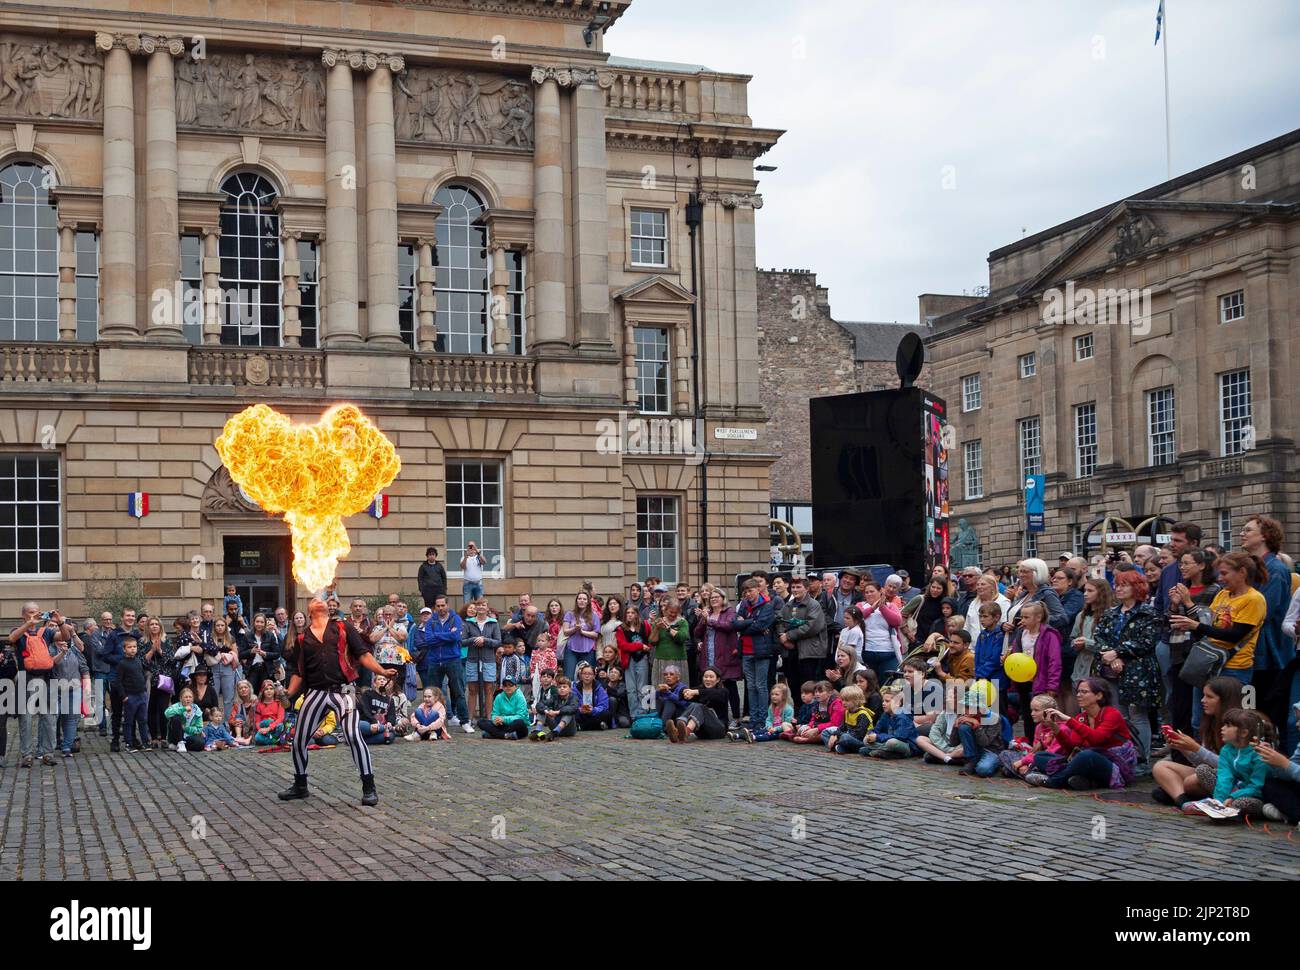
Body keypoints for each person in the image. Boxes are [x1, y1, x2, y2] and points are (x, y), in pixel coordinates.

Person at [280, 597, 395, 806]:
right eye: (314, 600)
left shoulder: (343, 627)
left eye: (322, 600)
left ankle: (369, 787)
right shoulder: (302, 638)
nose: (319, 600)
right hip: (315, 693)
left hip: (344, 691)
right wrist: (288, 693)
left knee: (352, 735)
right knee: (298, 741)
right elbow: (298, 672)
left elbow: (362, 654)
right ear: (310, 610)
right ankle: (300, 785)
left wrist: (382, 670)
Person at [1168, 551, 1267, 695]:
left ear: (1242, 572)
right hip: (1209, 663)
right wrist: (1184, 620)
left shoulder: (1254, 599)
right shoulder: (1223, 594)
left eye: (1224, 573)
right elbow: (1208, 624)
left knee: (1231, 714)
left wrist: (1196, 625)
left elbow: (1235, 635)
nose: (1220, 578)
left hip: (1234, 668)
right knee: (1200, 714)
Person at [1092, 569, 1161, 773]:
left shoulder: (1147, 613)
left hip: (1138, 670)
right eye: (1117, 584)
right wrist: (1109, 654)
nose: (1118, 588)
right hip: (1110, 670)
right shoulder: (1111, 613)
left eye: (1124, 585)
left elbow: (1146, 641)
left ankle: (1142, 759)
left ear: (1136, 588)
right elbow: (1099, 637)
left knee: (1137, 714)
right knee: (1117, 714)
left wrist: (1118, 654)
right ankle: (1124, 755)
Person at [1152, 676, 1246, 807]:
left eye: (1209, 697)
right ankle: (1183, 802)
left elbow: (1232, 766)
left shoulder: (1240, 726)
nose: (1203, 700)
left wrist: (1196, 748)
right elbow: (1202, 763)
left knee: (1192, 781)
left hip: (1234, 780)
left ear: (1225, 700)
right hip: (1209, 774)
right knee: (1161, 766)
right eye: (1203, 695)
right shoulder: (1210, 721)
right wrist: (1182, 747)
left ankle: (1181, 794)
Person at [1027, 678, 1137, 790]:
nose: (1079, 695)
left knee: (1087, 755)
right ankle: (1085, 781)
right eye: (1078, 692)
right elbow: (1072, 748)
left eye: (1084, 692)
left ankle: (1054, 781)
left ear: (1099, 695)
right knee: (1040, 756)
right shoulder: (1081, 717)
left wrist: (1069, 720)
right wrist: (1054, 727)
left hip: (1115, 765)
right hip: (1088, 761)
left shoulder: (1112, 714)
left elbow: (1096, 739)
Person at [1181, 709, 1274, 819]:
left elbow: (1256, 787)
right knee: (1202, 769)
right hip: (1233, 790)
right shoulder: (1226, 750)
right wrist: (1218, 803)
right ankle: (1218, 806)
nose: (1222, 728)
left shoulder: (1258, 754)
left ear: (1244, 733)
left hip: (1256, 796)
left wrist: (1232, 797)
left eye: (1228, 725)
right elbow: (1224, 777)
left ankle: (1230, 808)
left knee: (1240, 803)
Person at [1005, 600, 1063, 741]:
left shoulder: (1049, 635)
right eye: (1022, 617)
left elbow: (1054, 662)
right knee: (1027, 715)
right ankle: (1030, 743)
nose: (1022, 620)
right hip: (1023, 681)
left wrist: (1052, 686)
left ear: (1038, 618)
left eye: (1026, 617)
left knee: (1042, 717)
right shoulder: (1021, 634)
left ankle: (1044, 744)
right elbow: (1016, 654)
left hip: (1040, 682)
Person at [418, 595, 472, 733]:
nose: (441, 608)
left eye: (443, 605)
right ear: (435, 607)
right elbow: (429, 639)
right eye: (438, 606)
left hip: (452, 659)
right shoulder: (431, 621)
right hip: (435, 661)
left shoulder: (456, 619)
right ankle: (432, 721)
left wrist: (440, 636)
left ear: (447, 605)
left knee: (458, 691)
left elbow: (456, 637)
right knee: (432, 693)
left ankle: (465, 721)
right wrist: (447, 635)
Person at [732, 578, 777, 731]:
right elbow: (735, 624)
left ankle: (762, 720)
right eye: (745, 592)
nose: (748, 594)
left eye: (750, 591)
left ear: (758, 589)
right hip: (746, 651)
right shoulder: (744, 605)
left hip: (761, 652)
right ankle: (753, 718)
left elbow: (760, 626)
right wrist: (750, 622)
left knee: (761, 686)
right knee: (750, 687)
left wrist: (745, 622)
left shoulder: (767, 606)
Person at [694, 589, 742, 727]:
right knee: (711, 688)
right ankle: (717, 718)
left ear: (723, 598)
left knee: (729, 687)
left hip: (725, 655)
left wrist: (709, 620)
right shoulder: (707, 613)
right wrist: (703, 620)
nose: (714, 599)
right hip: (709, 655)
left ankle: (736, 718)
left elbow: (728, 626)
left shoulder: (729, 612)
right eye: (712, 597)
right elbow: (697, 632)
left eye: (717, 597)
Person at [1000, 694, 1063, 780]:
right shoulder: (1039, 727)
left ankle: (1027, 773)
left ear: (1048, 712)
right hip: (1035, 760)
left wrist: (1024, 762)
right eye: (1031, 710)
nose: (1032, 714)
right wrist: (1025, 762)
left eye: (1036, 710)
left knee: (1008, 768)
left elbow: (1050, 755)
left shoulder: (1061, 729)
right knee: (1005, 753)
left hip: (1050, 762)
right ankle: (1028, 773)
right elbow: (1034, 751)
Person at [1069, 577, 1114, 695]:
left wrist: (1087, 643)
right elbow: (1073, 637)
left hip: (1100, 668)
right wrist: (1076, 643)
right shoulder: (1081, 615)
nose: (1085, 594)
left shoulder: (1110, 615)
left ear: (1101, 593)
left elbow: (1110, 644)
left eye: (1090, 591)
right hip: (1082, 667)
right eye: (1085, 590)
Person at [781, 576, 828, 687]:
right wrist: (781, 636)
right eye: (793, 587)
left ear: (806, 589)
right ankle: (797, 705)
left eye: (798, 587)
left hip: (810, 652)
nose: (795, 589)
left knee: (808, 685)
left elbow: (812, 626)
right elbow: (779, 621)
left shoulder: (814, 605)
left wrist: (789, 635)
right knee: (793, 683)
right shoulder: (788, 605)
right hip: (791, 651)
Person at [461, 599, 500, 724]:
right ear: (475, 607)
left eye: (483, 605)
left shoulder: (493, 623)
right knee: (472, 689)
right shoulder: (468, 623)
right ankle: (470, 719)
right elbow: (462, 641)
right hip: (472, 659)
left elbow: (498, 641)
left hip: (488, 659)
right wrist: (474, 639)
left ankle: (489, 718)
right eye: (478, 605)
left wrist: (485, 640)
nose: (481, 607)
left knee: (489, 689)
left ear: (487, 608)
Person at [667, 666, 730, 742]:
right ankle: (679, 730)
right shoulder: (701, 689)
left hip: (719, 730)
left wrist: (695, 692)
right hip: (702, 732)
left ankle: (685, 732)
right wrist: (685, 692)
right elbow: (684, 693)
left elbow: (712, 694)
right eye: (705, 677)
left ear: (717, 680)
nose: (708, 679)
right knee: (694, 705)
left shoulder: (723, 691)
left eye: (711, 677)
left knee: (700, 706)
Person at [857, 580, 903, 681]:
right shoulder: (860, 606)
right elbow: (856, 618)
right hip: (867, 652)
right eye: (866, 592)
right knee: (869, 684)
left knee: (888, 683)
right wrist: (872, 608)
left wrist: (882, 607)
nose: (869, 594)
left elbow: (897, 621)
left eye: (872, 591)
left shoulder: (890, 606)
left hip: (888, 652)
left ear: (880, 592)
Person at [859, 685, 919, 759]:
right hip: (885, 741)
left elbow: (900, 737)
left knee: (891, 743)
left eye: (887, 701)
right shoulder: (885, 714)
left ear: (898, 703)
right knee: (865, 740)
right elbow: (877, 730)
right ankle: (886, 753)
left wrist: (878, 737)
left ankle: (877, 751)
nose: (883, 703)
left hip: (907, 746)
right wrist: (871, 735)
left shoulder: (903, 717)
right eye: (883, 701)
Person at [616, 606, 652, 718]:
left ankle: (644, 714)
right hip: (629, 660)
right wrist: (640, 646)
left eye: (632, 612)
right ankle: (634, 716)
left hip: (642, 659)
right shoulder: (621, 629)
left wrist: (647, 648)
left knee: (643, 688)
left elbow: (651, 640)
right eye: (628, 613)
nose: (630, 614)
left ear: (637, 614)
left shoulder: (645, 625)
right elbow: (623, 646)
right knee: (631, 689)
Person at [117, 637, 150, 754]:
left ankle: (145, 742)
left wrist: (144, 691)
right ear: (124, 649)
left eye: (134, 647)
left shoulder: (138, 661)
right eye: (129, 647)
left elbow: (142, 675)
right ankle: (128, 743)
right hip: (130, 696)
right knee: (129, 721)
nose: (132, 649)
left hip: (141, 695)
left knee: (143, 720)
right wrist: (124, 696)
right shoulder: (122, 663)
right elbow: (119, 681)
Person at [825, 685, 875, 755]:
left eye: (847, 700)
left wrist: (838, 736)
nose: (843, 702)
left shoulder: (863, 714)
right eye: (842, 700)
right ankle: (842, 747)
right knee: (825, 733)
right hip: (847, 736)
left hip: (860, 740)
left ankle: (842, 746)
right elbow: (842, 727)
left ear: (856, 701)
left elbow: (858, 734)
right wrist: (834, 735)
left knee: (845, 737)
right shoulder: (847, 711)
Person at [561, 591, 600, 680]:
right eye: (579, 599)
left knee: (586, 677)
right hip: (571, 649)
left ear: (588, 602)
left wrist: (582, 632)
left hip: (588, 650)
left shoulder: (594, 616)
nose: (582, 601)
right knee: (569, 677)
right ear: (576, 601)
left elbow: (596, 634)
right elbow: (565, 631)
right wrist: (575, 629)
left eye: (584, 599)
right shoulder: (569, 614)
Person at [964, 573, 1010, 640]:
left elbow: (1004, 623)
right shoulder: (974, 603)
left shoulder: (1003, 602)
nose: (979, 587)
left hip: (995, 642)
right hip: (973, 645)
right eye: (978, 585)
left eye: (983, 584)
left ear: (992, 587)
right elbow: (967, 625)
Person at [534, 676, 579, 740]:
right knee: (542, 710)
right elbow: (539, 704)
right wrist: (547, 711)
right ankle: (538, 731)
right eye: (559, 687)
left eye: (564, 687)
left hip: (569, 729)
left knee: (569, 712)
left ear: (569, 689)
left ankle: (556, 732)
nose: (562, 689)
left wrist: (557, 712)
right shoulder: (555, 697)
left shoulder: (573, 697)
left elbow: (573, 708)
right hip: (554, 725)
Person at [358, 672, 398, 744]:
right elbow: (365, 710)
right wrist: (374, 722)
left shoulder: (390, 700)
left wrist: (389, 722)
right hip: (368, 724)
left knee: (391, 736)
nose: (382, 681)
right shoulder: (367, 694)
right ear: (374, 684)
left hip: (379, 728)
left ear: (387, 684)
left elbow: (392, 715)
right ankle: (384, 729)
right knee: (361, 725)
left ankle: (361, 741)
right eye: (379, 679)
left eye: (384, 679)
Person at [572, 663, 611, 733]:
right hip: (581, 714)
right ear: (581, 675)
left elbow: (604, 706)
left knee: (606, 714)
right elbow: (572, 704)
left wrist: (593, 710)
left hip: (594, 714)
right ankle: (597, 726)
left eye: (589, 674)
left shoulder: (599, 689)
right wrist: (580, 709)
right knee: (573, 713)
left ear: (594, 676)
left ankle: (582, 726)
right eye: (584, 674)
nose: (587, 676)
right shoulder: (575, 689)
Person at [166, 687, 207, 752]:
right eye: (186, 697)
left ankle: (179, 746)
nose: (188, 699)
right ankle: (179, 743)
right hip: (175, 735)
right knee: (175, 717)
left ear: (193, 699)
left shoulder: (197, 710)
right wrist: (183, 709)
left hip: (188, 736)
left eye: (190, 697)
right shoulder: (176, 706)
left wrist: (186, 728)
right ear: (181, 698)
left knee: (201, 743)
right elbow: (167, 713)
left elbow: (199, 728)